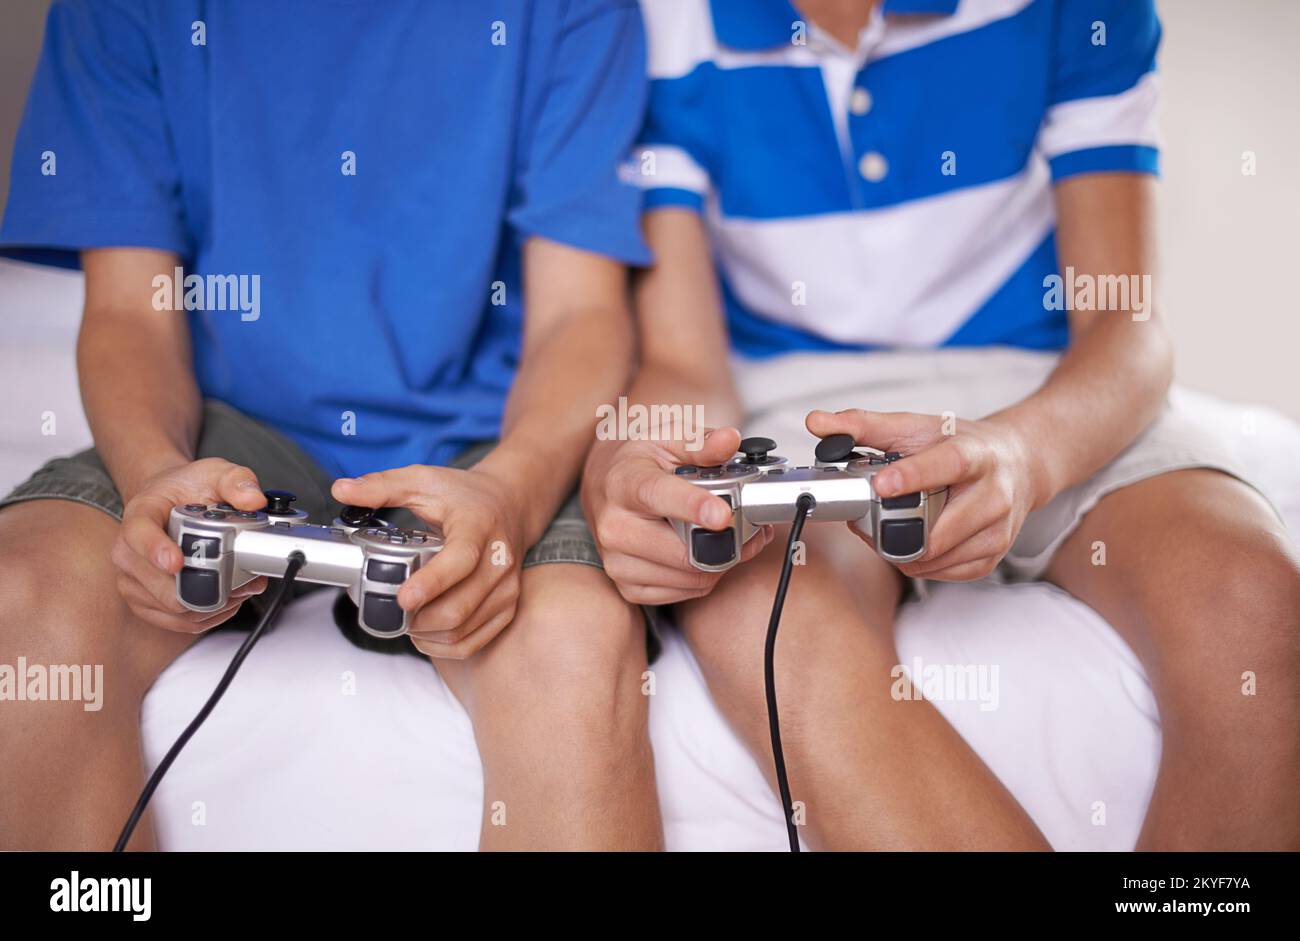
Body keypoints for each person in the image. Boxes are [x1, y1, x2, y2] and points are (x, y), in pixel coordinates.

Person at [583, 0, 1300, 849]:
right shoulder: (664, 26)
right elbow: (684, 361)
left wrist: (1024, 453)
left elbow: (1126, 325)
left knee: (1252, 601)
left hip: (1049, 396)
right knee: (768, 621)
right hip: (789, 410)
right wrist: (642, 457)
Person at [0, 0, 661, 851]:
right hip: (225, 426)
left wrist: (510, 495)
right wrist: (153, 478)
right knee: (25, 596)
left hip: (490, 439)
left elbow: (582, 317)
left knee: (573, 642)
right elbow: (131, 309)